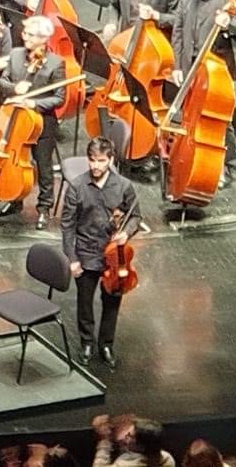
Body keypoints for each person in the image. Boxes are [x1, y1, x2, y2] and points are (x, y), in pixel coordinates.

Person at [65, 139, 144, 370]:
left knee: (112, 301)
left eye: (101, 161)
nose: (96, 166)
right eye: (92, 160)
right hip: (86, 252)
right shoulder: (76, 186)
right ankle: (87, 343)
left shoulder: (124, 186)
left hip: (114, 254)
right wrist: (72, 259)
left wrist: (126, 233)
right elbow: (67, 226)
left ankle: (106, 344)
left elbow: (135, 216)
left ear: (110, 160)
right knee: (85, 302)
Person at [0, 17, 67, 228]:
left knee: (43, 165)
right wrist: (14, 88)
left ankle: (44, 207)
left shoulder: (55, 63)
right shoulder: (15, 55)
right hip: (16, 118)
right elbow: (3, 80)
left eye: (30, 34)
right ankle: (15, 199)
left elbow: (59, 98)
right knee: (15, 161)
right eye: (25, 33)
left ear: (44, 39)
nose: (24, 36)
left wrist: (34, 103)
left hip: (41, 122)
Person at [173, 0, 236, 83]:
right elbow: (177, 33)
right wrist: (177, 66)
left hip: (215, 71)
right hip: (188, 67)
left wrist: (227, 22)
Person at [92, 413, 174, 466]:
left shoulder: (128, 464)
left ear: (141, 446)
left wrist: (105, 440)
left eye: (130, 436)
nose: (126, 437)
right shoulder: (167, 458)